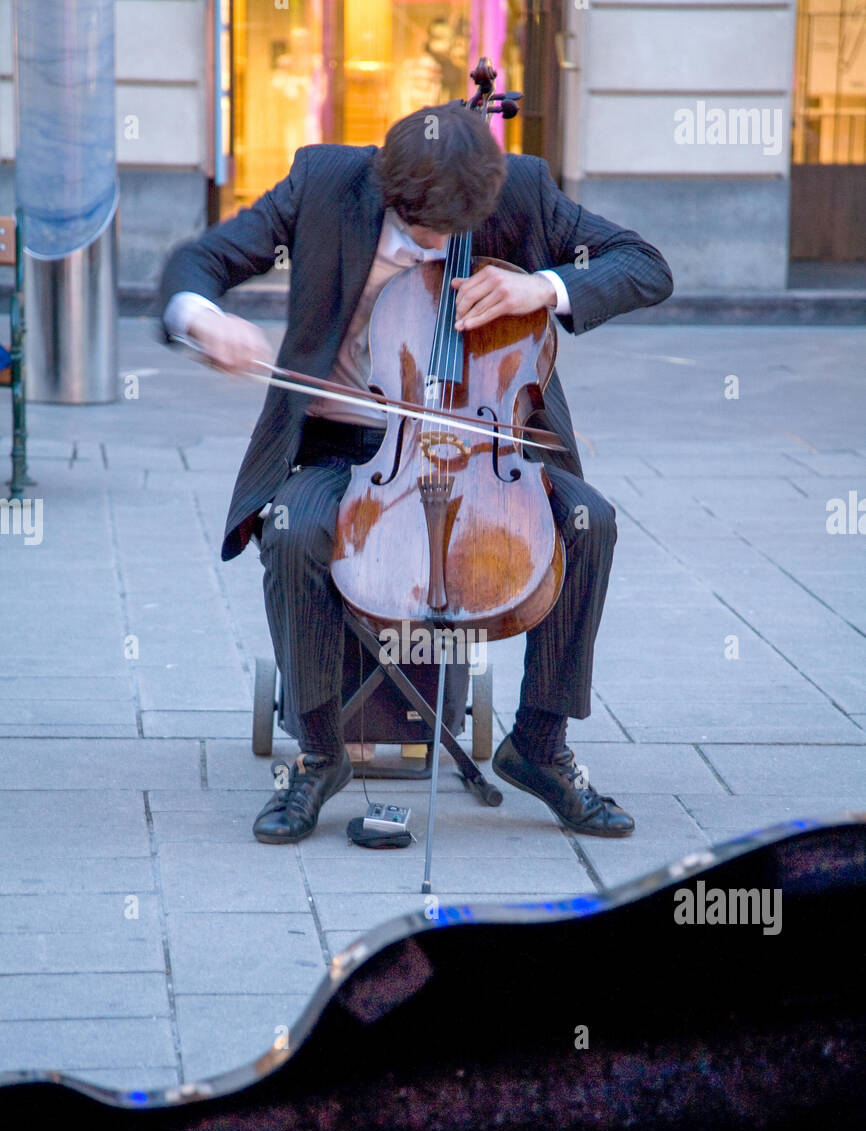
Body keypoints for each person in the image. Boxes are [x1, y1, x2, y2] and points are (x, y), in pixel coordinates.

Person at [156, 103, 673, 845]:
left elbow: (645, 265)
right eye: (430, 233)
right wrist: (206, 321)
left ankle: (539, 744)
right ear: (389, 193)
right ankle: (320, 755)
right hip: (345, 447)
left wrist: (545, 287)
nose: (447, 245)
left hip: (485, 447)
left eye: (464, 228)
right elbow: (199, 262)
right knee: (294, 531)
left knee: (592, 522)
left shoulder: (521, 188)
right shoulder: (325, 182)